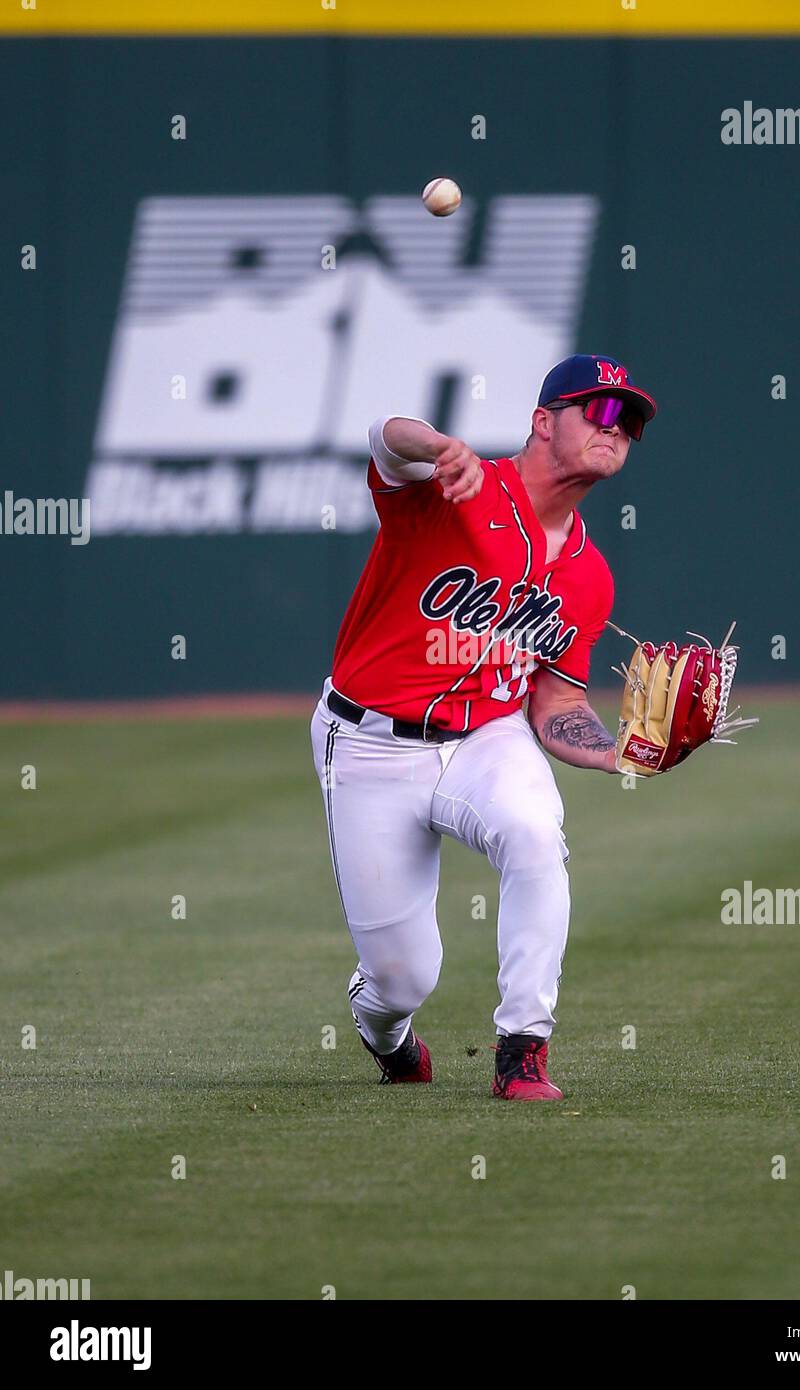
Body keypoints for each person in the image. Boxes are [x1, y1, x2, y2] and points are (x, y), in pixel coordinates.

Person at [310, 354, 656, 1100]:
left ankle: (523, 1048)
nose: (616, 428)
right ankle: (389, 1036)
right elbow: (384, 435)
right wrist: (438, 445)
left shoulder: (590, 577)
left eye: (628, 422)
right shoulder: (455, 485)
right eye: (598, 410)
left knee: (535, 833)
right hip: (369, 741)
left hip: (486, 736)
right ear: (542, 421)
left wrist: (619, 751)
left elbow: (557, 707)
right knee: (403, 978)